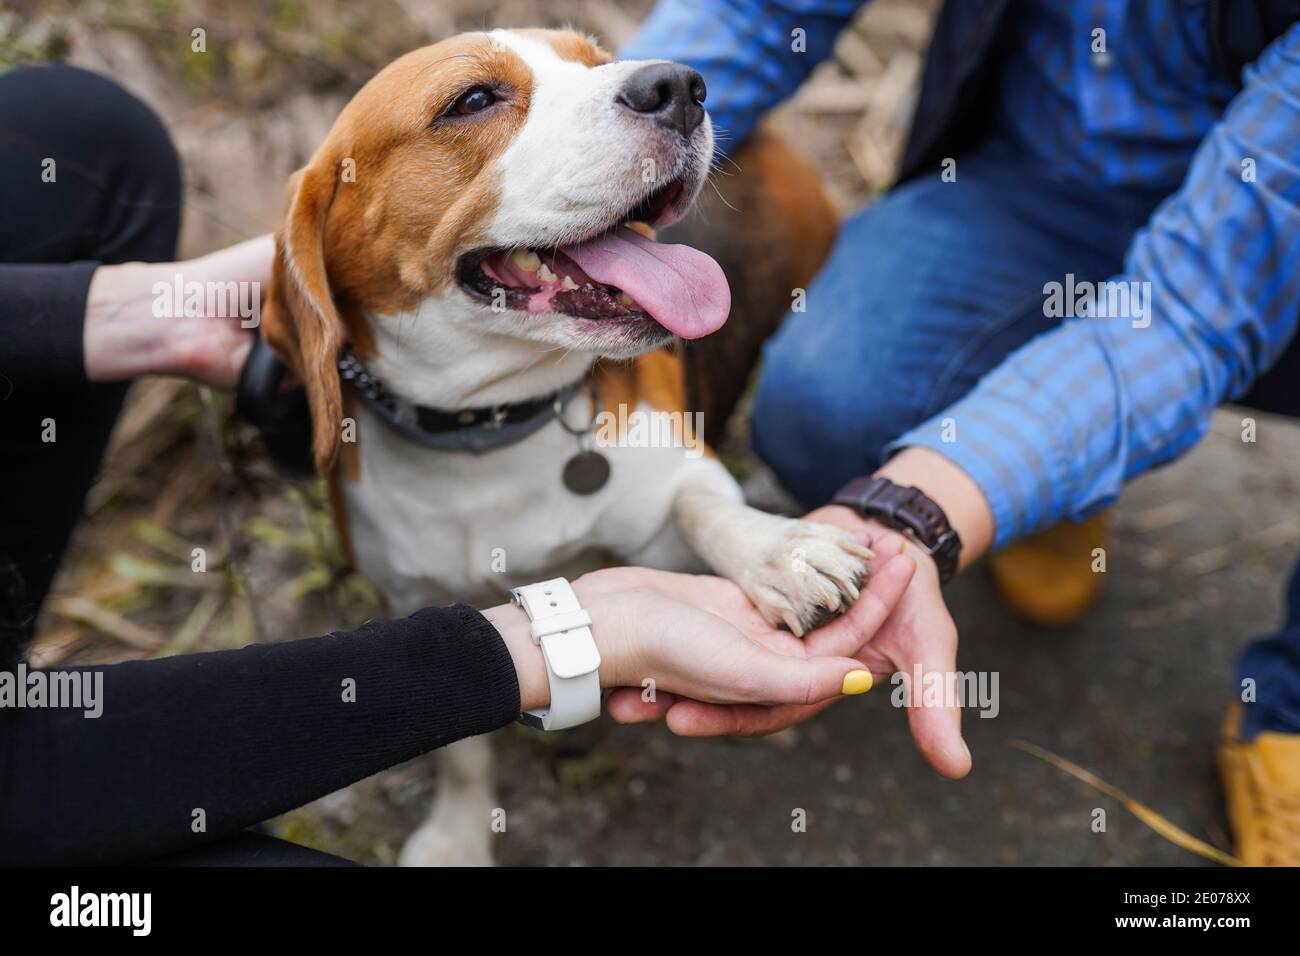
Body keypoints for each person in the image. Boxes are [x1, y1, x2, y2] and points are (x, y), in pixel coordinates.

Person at [0, 63, 918, 865]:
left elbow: (684, 485)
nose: (661, 84)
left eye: (584, 70)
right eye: (477, 101)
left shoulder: (649, 329)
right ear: (336, 238)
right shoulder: (352, 428)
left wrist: (738, 533)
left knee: (87, 128)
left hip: (702, 322)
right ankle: (464, 796)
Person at [618, 0, 1300, 863]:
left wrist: (913, 509)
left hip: (1269, 249)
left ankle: (1290, 710)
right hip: (1037, 190)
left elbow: (1189, 313)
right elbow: (765, 11)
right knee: (828, 402)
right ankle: (1044, 482)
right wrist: (599, 155)